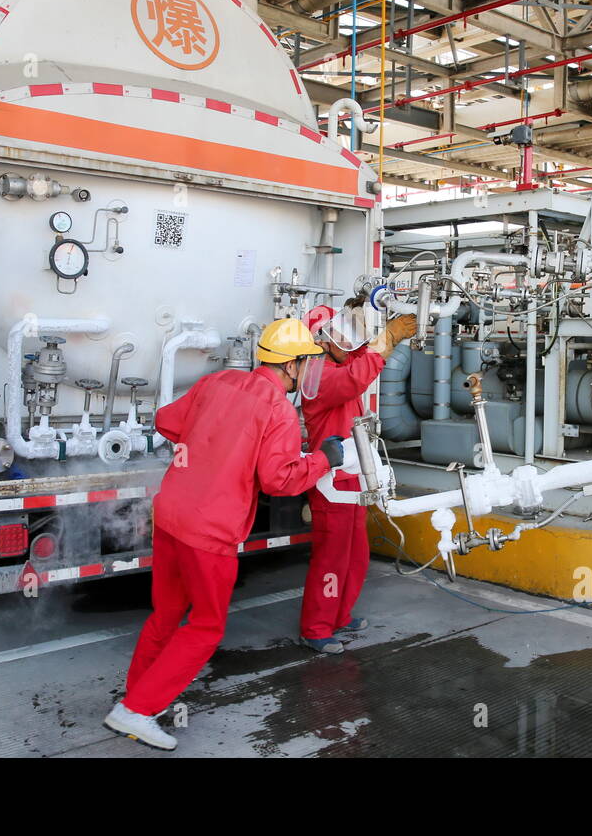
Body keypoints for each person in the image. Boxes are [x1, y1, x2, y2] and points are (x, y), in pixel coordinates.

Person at [103, 317, 343, 750]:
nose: (309, 371)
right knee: (206, 626)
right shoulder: (279, 412)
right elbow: (279, 480)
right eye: (307, 362)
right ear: (291, 366)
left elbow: (166, 421)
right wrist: (325, 458)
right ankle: (136, 711)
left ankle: (139, 700)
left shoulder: (217, 382)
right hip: (209, 531)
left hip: (172, 513)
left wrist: (216, 447)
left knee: (165, 615)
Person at [298, 302, 416, 653]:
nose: (344, 337)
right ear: (320, 341)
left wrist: (376, 331)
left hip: (351, 478)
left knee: (355, 554)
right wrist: (389, 337)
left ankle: (340, 615)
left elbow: (359, 360)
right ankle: (316, 628)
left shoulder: (337, 362)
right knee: (331, 558)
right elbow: (354, 378)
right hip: (331, 481)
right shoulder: (317, 376)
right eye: (336, 332)